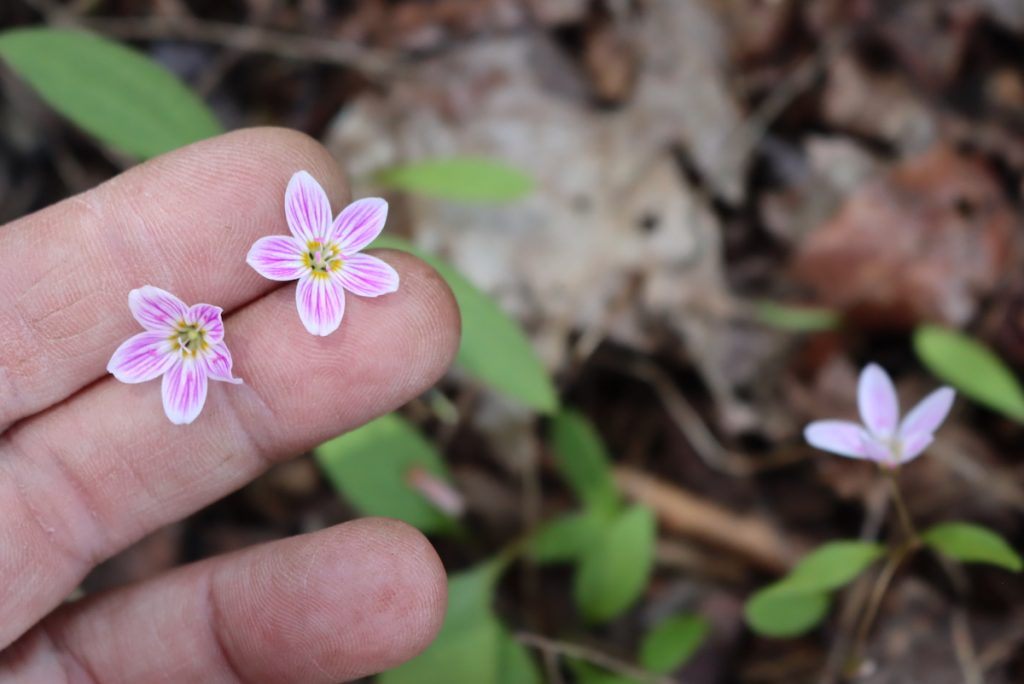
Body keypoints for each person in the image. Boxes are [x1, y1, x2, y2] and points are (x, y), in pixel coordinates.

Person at [0, 128, 460, 682]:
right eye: (315, 252)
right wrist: (205, 340)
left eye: (322, 253)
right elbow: (157, 341)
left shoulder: (319, 265)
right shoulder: (224, 301)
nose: (318, 254)